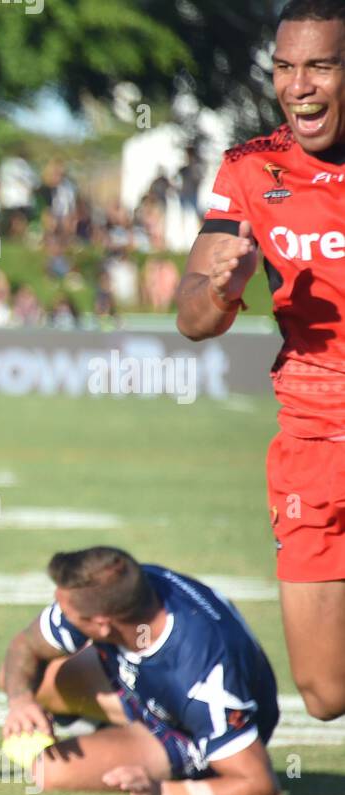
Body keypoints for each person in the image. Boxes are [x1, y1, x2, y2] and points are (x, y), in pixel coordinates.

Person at [178, 0, 345, 721]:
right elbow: (190, 317)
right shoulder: (251, 171)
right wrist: (224, 287)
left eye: (320, 66)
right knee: (325, 691)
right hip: (310, 431)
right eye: (284, 67)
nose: (299, 84)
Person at [0, 547, 281, 795]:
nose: (58, 612)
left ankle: (138, 749)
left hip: (185, 730)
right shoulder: (124, 590)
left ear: (102, 626)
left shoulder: (204, 678)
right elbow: (26, 646)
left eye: (66, 611)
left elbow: (260, 786)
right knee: (22, 679)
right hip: (140, 681)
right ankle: (108, 732)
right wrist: (21, 700)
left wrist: (165, 792)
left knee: (50, 771)